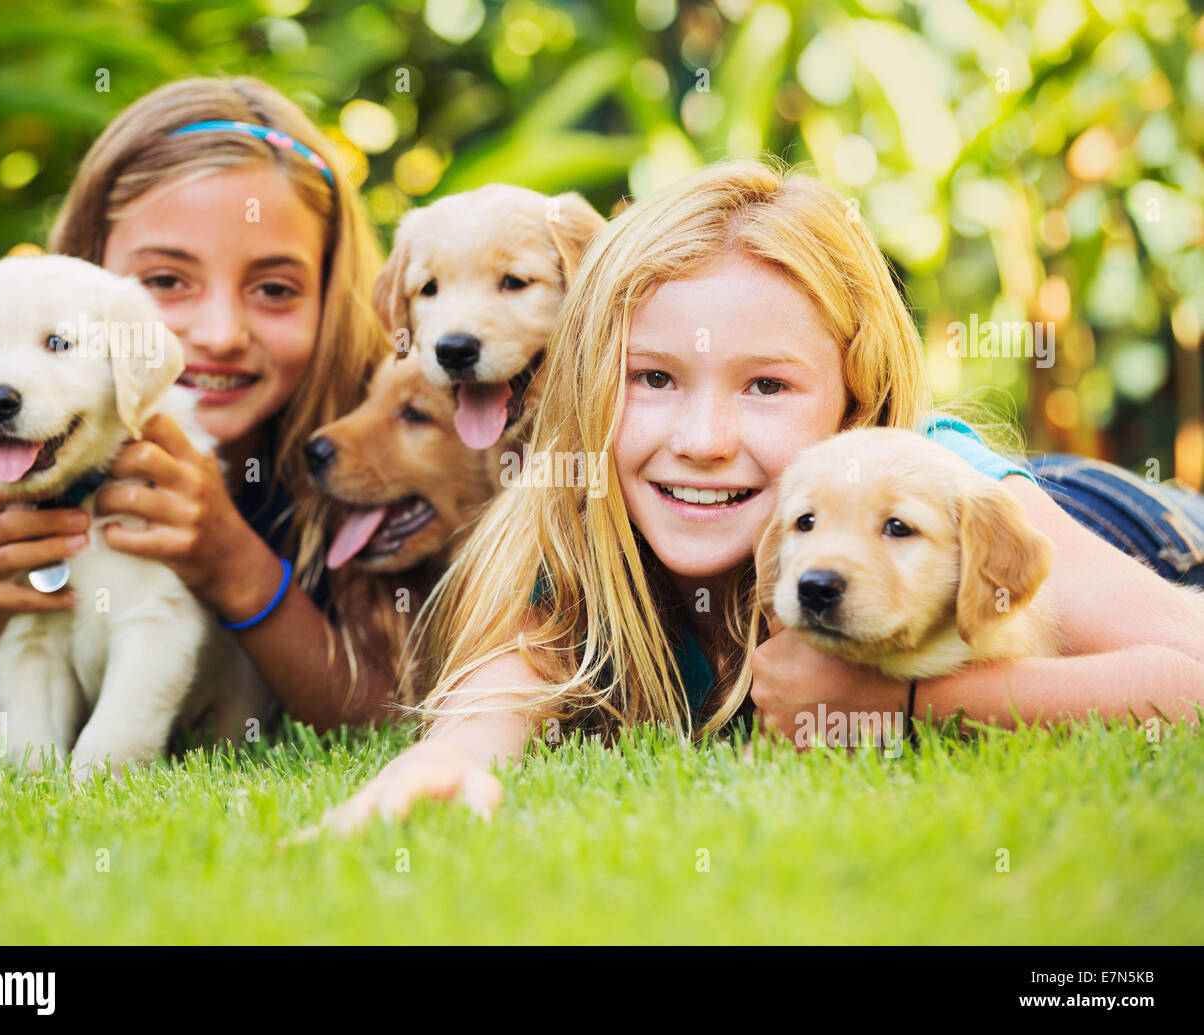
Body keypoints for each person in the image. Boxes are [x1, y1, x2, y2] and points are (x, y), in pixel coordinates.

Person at [310, 158, 1204, 834]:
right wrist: (454, 756)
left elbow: (1189, 673)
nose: (702, 440)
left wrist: (901, 709)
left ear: (859, 400)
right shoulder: (579, 514)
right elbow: (510, 677)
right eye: (652, 378)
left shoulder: (942, 482)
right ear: (586, 386)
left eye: (767, 387)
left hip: (1140, 530)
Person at [0, 76, 396, 736]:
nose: (220, 332)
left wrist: (238, 568)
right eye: (164, 281)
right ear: (83, 275)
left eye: (275, 287)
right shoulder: (19, 447)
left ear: (330, 300)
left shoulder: (368, 469)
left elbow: (386, 723)